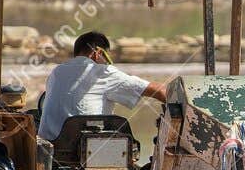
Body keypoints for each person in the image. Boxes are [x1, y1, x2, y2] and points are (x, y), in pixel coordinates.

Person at [38, 31, 168, 142]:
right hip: (83, 150)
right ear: (98, 53)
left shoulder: (57, 72)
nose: (106, 62)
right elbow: (158, 91)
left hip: (52, 147)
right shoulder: (103, 72)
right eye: (106, 57)